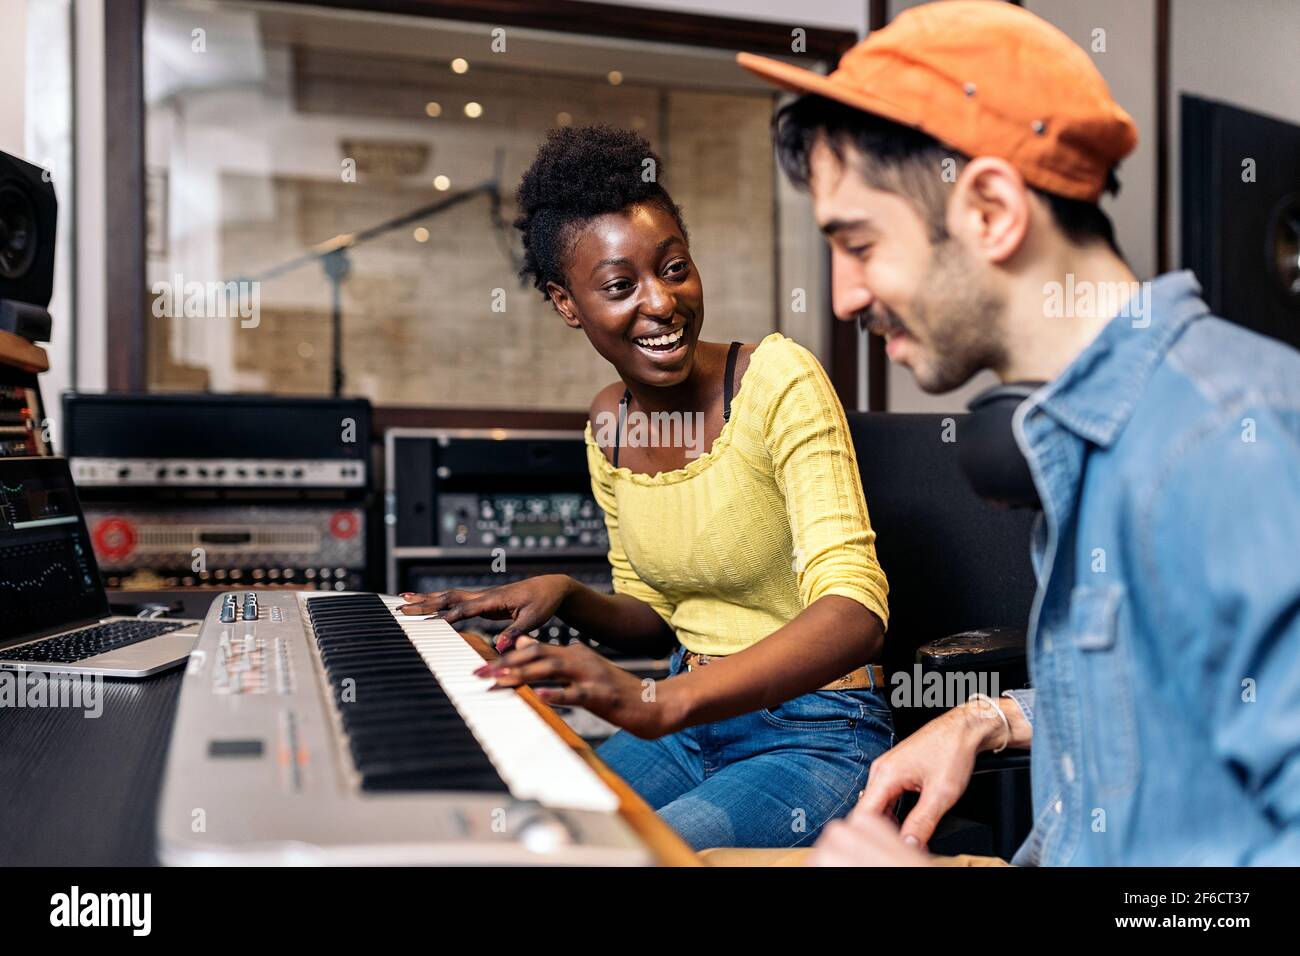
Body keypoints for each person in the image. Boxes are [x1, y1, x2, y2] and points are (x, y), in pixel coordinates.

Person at [736, 0, 1300, 865]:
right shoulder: (1106, 435)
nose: (844, 297)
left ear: (993, 209)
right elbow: (1165, 691)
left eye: (859, 243)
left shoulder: (1234, 447)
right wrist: (989, 718)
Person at [399, 124, 894, 850]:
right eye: (620, 286)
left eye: (675, 268)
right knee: (530, 835)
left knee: (617, 860)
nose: (662, 303)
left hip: (815, 729)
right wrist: (568, 592)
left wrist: (664, 700)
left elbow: (855, 611)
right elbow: (656, 614)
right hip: (684, 722)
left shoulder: (778, 381)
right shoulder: (610, 423)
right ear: (567, 303)